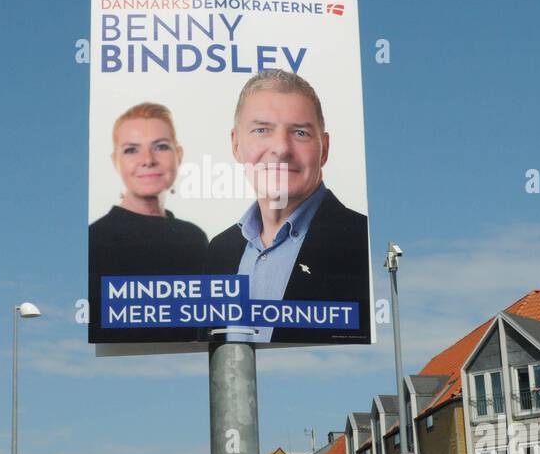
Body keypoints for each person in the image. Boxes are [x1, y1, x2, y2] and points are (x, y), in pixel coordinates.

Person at [206, 70, 371, 344]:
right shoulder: (219, 251)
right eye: (262, 130)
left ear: (325, 148)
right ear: (236, 144)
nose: (281, 148)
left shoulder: (363, 241)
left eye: (300, 132)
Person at [89, 102, 207, 343]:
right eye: (132, 150)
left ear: (179, 155)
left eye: (161, 147)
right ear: (115, 161)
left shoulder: (193, 238)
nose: (148, 160)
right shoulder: (95, 240)